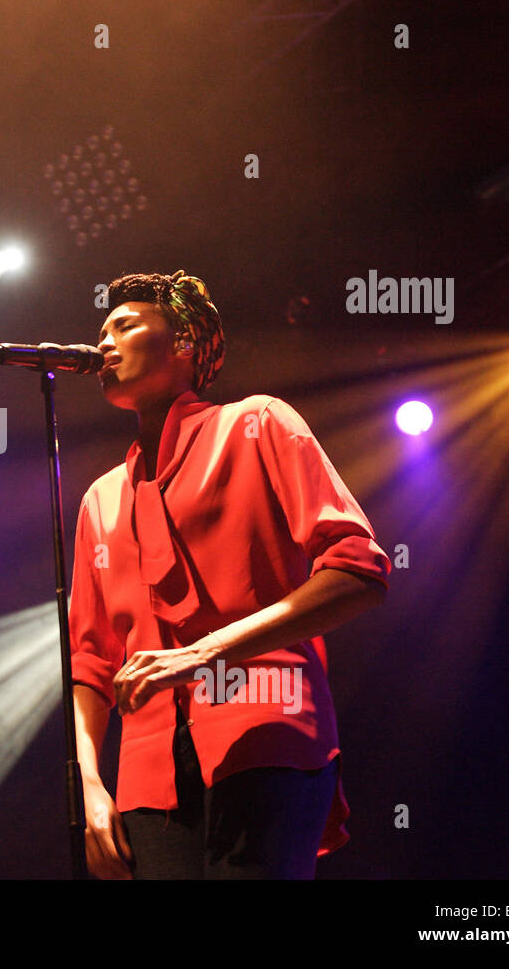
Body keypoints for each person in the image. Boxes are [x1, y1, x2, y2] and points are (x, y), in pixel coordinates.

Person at [69, 270, 390, 879]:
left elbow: (359, 567)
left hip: (265, 722)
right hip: (146, 772)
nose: (104, 343)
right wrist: (88, 785)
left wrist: (203, 654)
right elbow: (90, 662)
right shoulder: (99, 500)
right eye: (101, 331)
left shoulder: (259, 422)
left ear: (184, 340)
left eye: (125, 325)